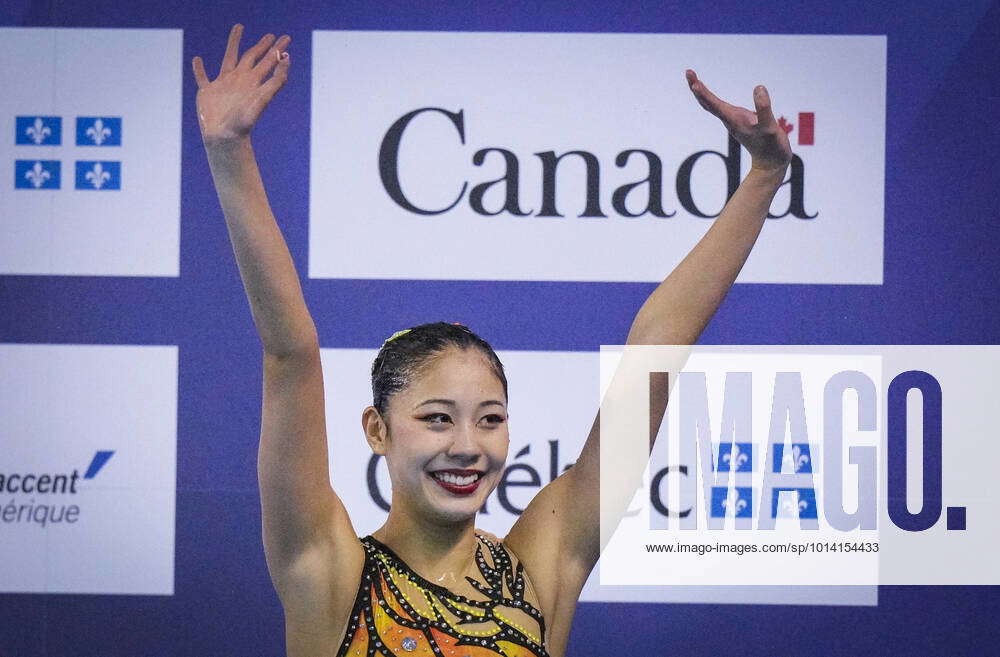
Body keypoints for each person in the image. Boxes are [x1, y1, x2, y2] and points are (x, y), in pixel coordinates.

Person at [192, 24, 792, 657]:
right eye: (436, 419)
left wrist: (763, 177)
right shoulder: (330, 573)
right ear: (376, 429)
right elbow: (291, 353)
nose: (467, 447)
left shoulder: (541, 571)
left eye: (489, 419)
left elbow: (658, 346)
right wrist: (228, 149)